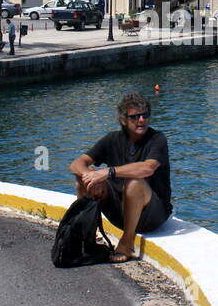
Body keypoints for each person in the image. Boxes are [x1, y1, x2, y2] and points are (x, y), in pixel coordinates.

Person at [69, 91, 172, 263]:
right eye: (135, 117)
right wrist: (90, 175)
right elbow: (76, 164)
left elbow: (147, 168)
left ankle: (127, 243)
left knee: (134, 182)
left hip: (152, 215)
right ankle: (87, 234)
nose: (141, 120)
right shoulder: (112, 139)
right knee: (83, 178)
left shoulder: (157, 139)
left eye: (145, 115)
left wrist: (108, 172)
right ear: (123, 120)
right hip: (121, 211)